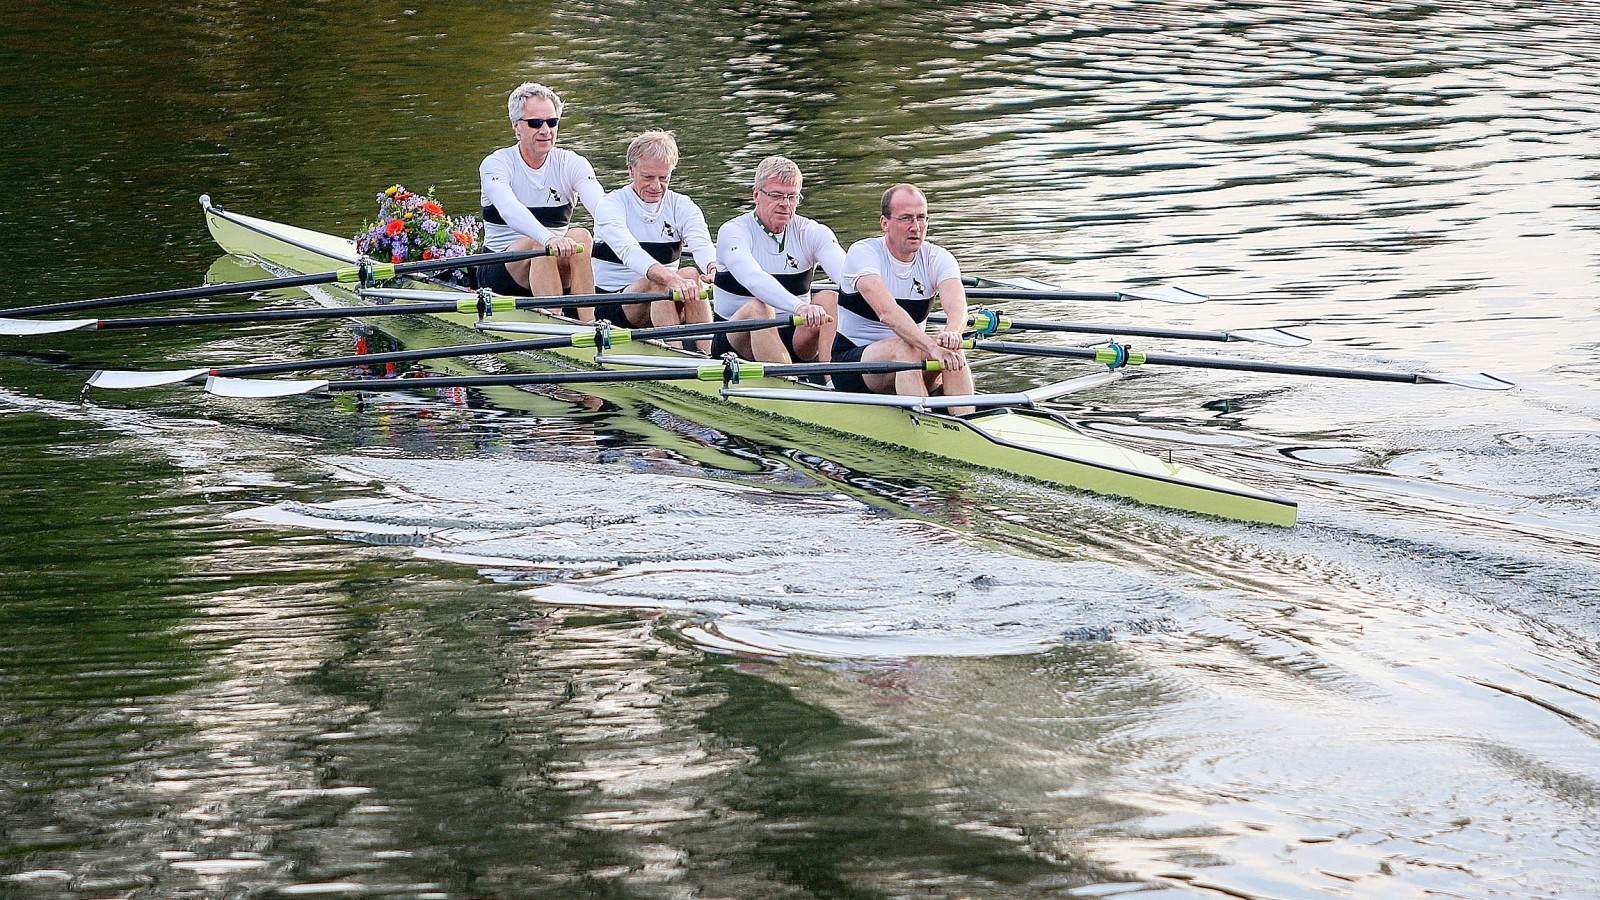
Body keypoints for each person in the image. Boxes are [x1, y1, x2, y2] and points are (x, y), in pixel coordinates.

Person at [833, 183, 974, 414]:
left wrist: (953, 333)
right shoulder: (863, 253)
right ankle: (922, 425)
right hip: (852, 365)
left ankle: (968, 422)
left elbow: (957, 304)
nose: (916, 227)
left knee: (953, 352)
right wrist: (931, 347)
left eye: (921, 218)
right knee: (905, 348)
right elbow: (887, 312)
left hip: (907, 361)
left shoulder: (938, 258)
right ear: (885, 224)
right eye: (906, 218)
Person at [477, 82, 603, 314]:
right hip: (499, 270)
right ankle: (555, 323)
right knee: (540, 245)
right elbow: (508, 207)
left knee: (581, 236)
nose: (545, 130)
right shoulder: (497, 164)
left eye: (552, 122)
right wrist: (547, 239)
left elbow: (602, 208)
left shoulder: (572, 163)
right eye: (535, 123)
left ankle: (589, 324)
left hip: (553, 261)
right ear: (516, 127)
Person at [711, 156, 844, 364]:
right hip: (736, 338)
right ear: (756, 195)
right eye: (776, 195)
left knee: (829, 299)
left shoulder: (811, 232)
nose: (785, 204)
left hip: (795, 336)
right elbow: (753, 279)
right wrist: (799, 307)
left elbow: (847, 277)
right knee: (760, 307)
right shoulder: (734, 231)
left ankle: (833, 382)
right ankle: (788, 385)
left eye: (792, 197)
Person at [590, 131, 716, 348]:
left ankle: (707, 354)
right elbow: (629, 252)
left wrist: (713, 268)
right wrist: (669, 279)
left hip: (664, 296)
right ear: (631, 170)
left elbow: (702, 243)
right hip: (613, 305)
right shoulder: (611, 205)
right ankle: (676, 355)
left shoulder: (682, 205)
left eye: (663, 178)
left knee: (691, 275)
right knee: (658, 283)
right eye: (648, 177)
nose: (656, 186)